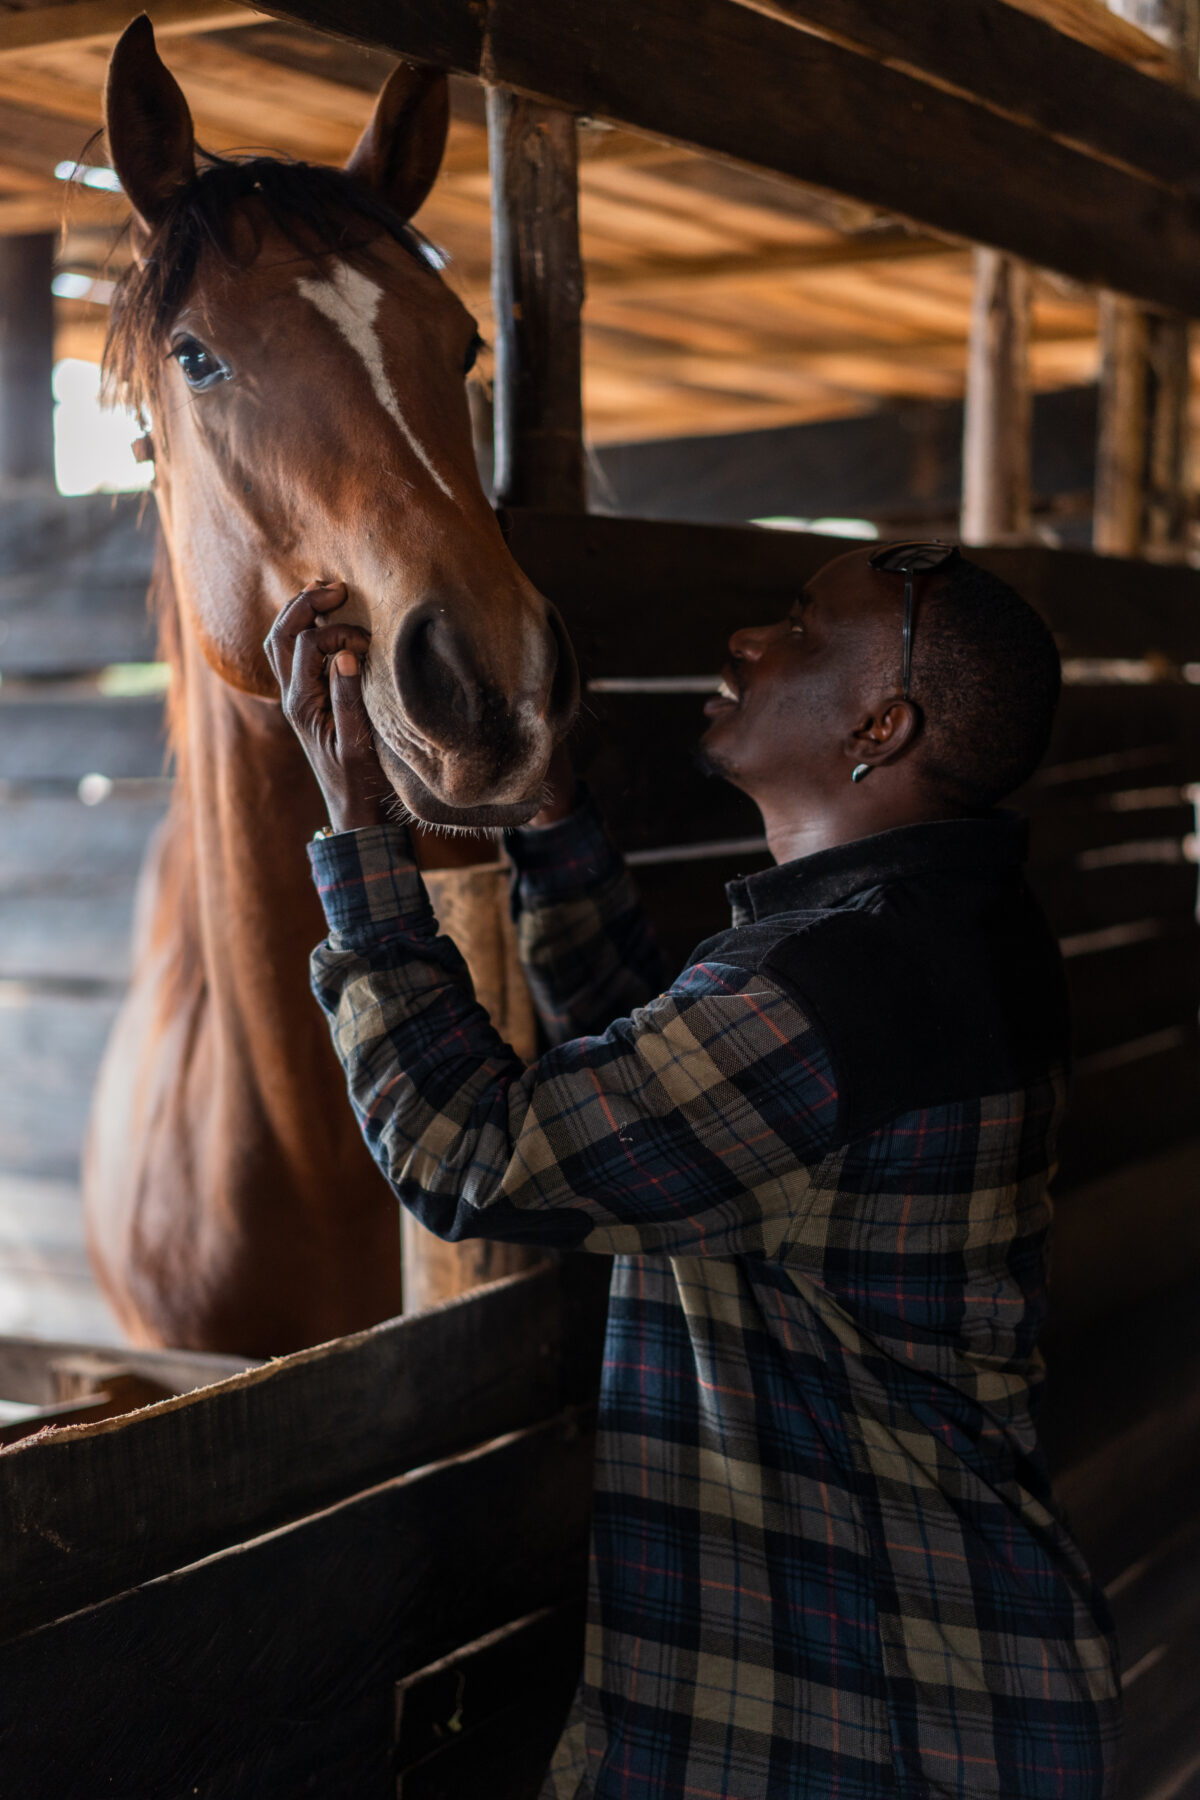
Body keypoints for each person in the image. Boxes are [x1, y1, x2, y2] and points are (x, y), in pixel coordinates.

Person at [266, 544, 1121, 1799]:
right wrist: (549, 811)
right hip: (953, 1675)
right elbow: (666, 1103)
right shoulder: (938, 929)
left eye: (799, 628)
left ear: (880, 727)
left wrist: (358, 834)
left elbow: (469, 1153)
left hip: (879, 1720)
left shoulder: (838, 991)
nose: (747, 642)